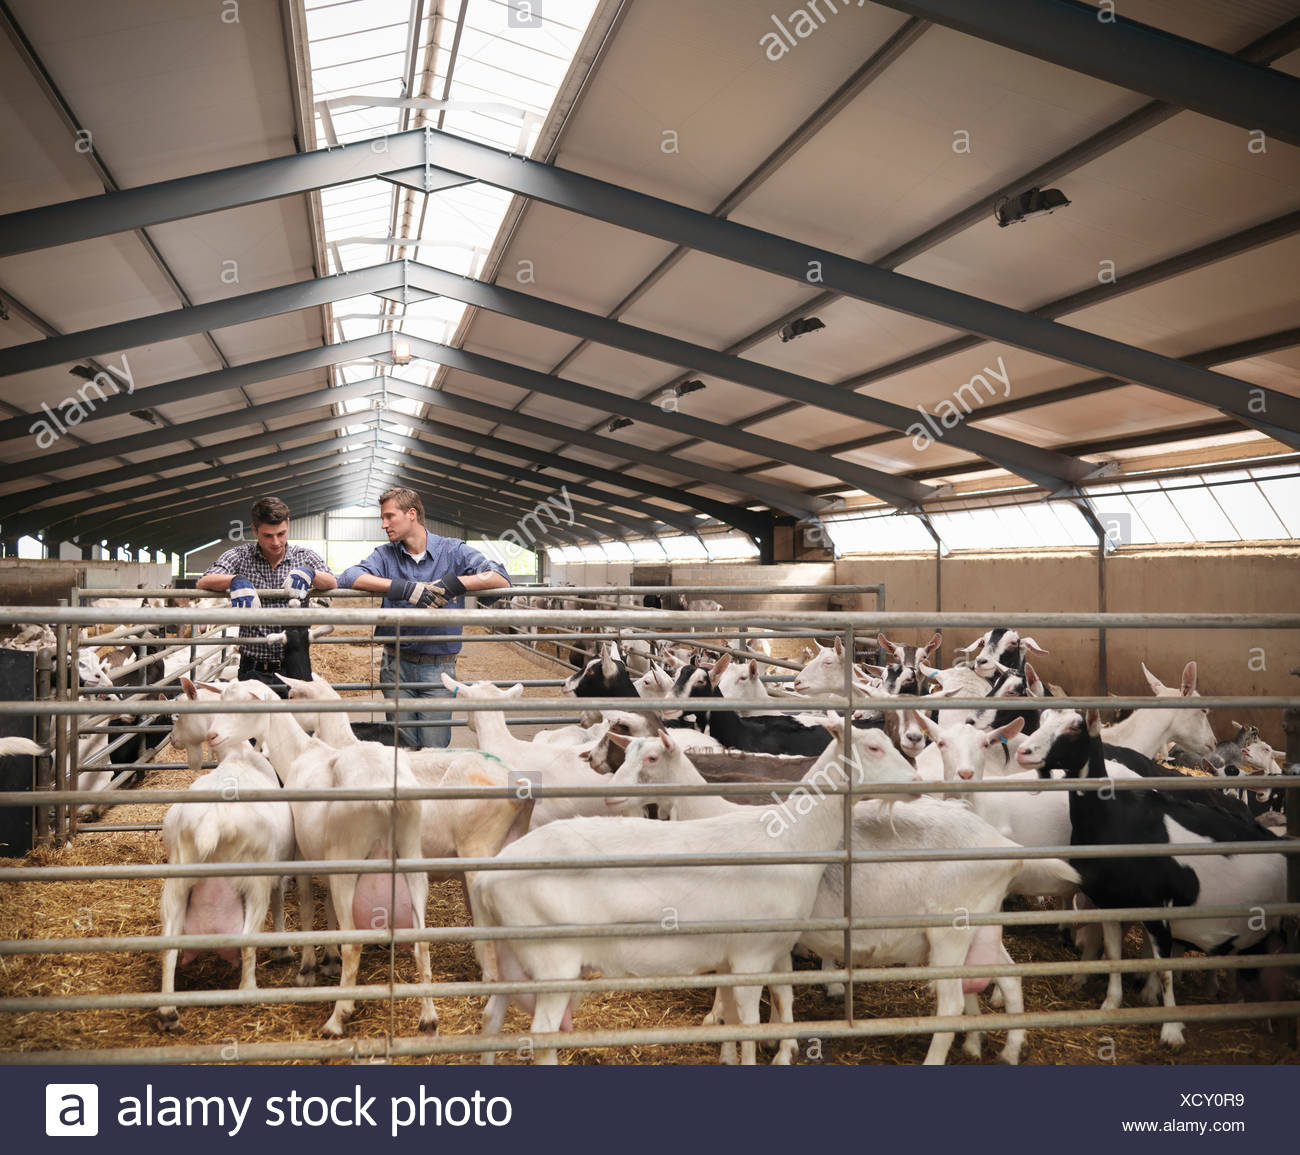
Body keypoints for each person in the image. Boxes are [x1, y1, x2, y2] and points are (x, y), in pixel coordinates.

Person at [338, 487, 510, 748]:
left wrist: (454, 584)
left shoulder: (453, 551)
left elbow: (499, 577)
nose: (384, 525)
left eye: (389, 517)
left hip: (438, 668)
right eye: (382, 518)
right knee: (402, 749)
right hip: (395, 666)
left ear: (411, 514)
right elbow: (349, 577)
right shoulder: (386, 555)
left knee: (433, 747)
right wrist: (402, 588)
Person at [196, 496, 336, 697]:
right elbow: (204, 581)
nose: (276, 542)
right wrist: (234, 580)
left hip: (295, 664)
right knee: (252, 727)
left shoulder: (304, 556)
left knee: (299, 724)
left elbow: (332, 582)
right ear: (254, 530)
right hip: (253, 668)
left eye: (281, 533)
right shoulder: (240, 556)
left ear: (287, 525)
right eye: (268, 535)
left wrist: (310, 573)